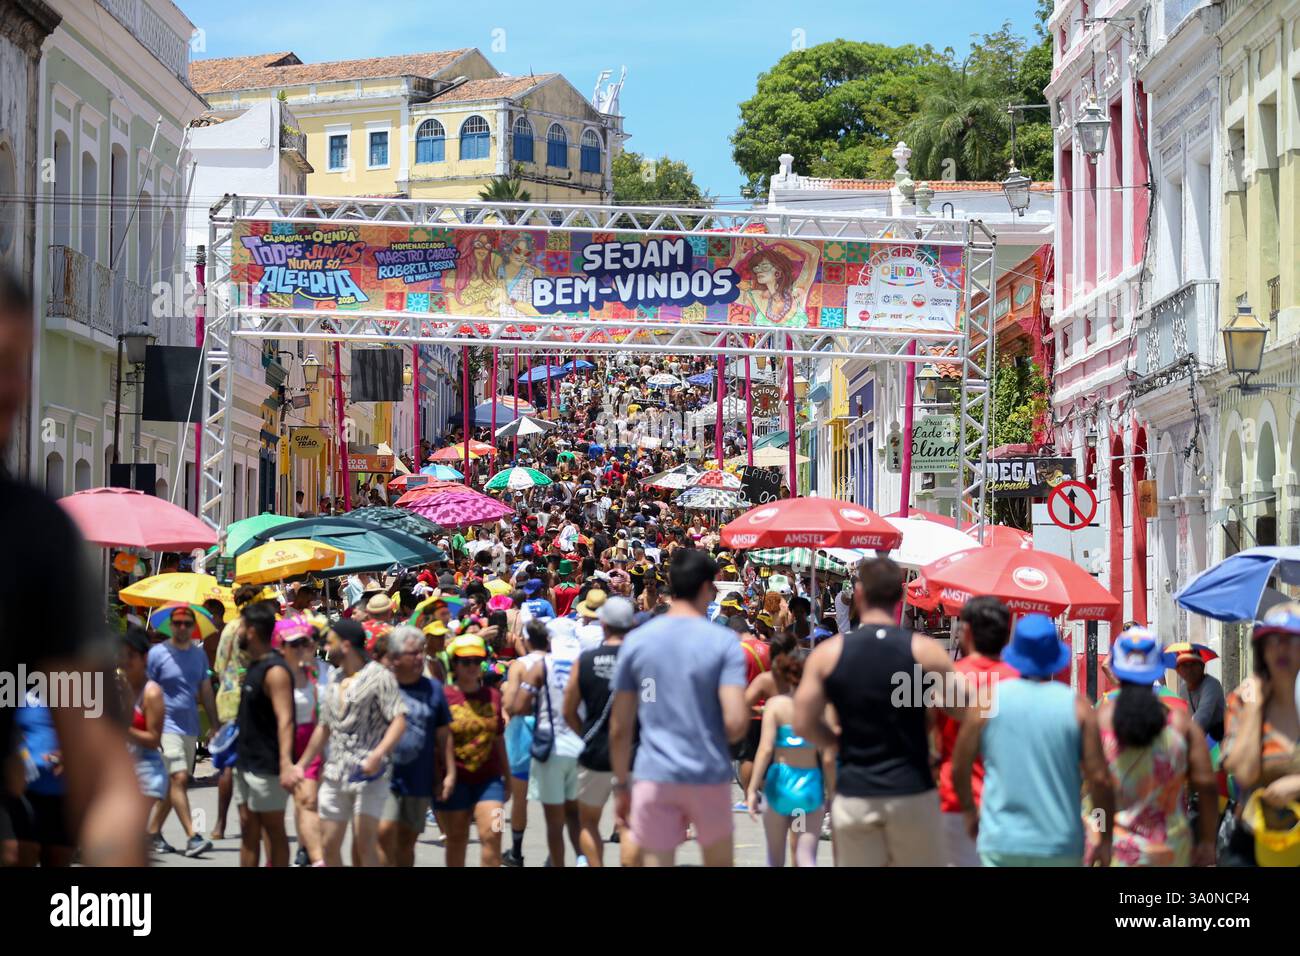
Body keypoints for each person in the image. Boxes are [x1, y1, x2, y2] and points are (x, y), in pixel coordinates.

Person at [793, 557, 958, 867]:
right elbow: (964, 708)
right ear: (899, 597)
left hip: (856, 793)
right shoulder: (924, 651)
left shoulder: (829, 654)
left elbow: (802, 722)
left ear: (858, 595)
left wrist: (834, 741)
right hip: (911, 791)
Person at [610, 549, 749, 867]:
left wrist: (621, 784)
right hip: (708, 773)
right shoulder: (724, 642)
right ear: (705, 588)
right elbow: (736, 722)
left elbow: (620, 726)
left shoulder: (637, 641)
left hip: (654, 773)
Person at [952, 614, 1115, 867]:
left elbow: (960, 766)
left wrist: (970, 812)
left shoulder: (987, 700)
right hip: (1059, 844)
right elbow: (1100, 779)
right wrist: (1105, 838)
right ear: (1055, 658)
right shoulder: (1078, 707)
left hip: (1001, 841)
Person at [1095, 628, 1218, 866]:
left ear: (1116, 670)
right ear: (1159, 668)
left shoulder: (1100, 721)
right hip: (1171, 851)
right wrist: (1206, 842)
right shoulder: (1181, 724)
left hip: (1117, 851)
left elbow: (1093, 788)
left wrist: (1099, 834)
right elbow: (1207, 786)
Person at [291, 619, 408, 867]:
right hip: (335, 773)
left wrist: (378, 755)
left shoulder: (379, 676)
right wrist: (301, 765)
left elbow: (399, 719)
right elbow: (324, 727)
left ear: (345, 645)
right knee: (327, 844)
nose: (325, 646)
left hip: (369, 774)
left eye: (329, 641)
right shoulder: (333, 678)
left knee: (365, 845)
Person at [934, 597, 1018, 867]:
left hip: (955, 801)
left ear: (967, 632)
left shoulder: (947, 681)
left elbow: (931, 743)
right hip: (1008, 804)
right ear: (1007, 636)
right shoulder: (1020, 682)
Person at [563, 595, 640, 867]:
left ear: (603, 624)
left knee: (588, 822)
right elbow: (654, 705)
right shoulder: (643, 663)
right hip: (634, 753)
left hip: (594, 749)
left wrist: (582, 733)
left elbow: (568, 709)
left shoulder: (585, 661)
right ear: (631, 625)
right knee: (630, 825)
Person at [1221, 603, 1300, 866]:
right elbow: (1243, 773)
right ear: (1262, 649)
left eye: (1292, 639)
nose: (1281, 647)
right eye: (1272, 639)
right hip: (1253, 841)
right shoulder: (1242, 700)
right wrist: (1255, 708)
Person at [512, 608, 587, 866]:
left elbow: (518, 705)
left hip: (547, 745)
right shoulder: (583, 663)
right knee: (575, 815)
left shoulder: (540, 665)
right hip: (580, 748)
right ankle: (583, 859)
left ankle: (527, 853)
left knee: (552, 822)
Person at [147, 603, 219, 858]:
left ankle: (152, 832)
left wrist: (214, 724)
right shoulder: (158, 654)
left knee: (175, 783)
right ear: (170, 626)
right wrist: (147, 727)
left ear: (193, 628)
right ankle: (192, 836)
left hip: (189, 726)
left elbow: (206, 691)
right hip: (164, 725)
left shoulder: (198, 656)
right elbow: (146, 690)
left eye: (187, 624)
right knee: (178, 778)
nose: (181, 627)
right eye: (177, 623)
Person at [379, 626, 455, 867]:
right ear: (395, 657)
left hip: (418, 777)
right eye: (414, 653)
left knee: (406, 842)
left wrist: (449, 773)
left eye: (421, 652)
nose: (420, 657)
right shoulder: (381, 686)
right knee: (384, 833)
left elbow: (443, 734)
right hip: (382, 778)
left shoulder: (432, 689)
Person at [746, 648, 829, 867]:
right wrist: (832, 792)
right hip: (809, 785)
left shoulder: (775, 705)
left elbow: (764, 750)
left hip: (779, 784)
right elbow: (828, 753)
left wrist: (752, 789)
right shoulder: (820, 707)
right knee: (806, 857)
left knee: (774, 858)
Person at [232, 601, 296, 868]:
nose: (237, 632)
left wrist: (285, 763)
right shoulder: (254, 667)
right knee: (248, 830)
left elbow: (286, 720)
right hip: (244, 762)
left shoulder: (276, 671)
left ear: (251, 632)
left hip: (266, 766)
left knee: (273, 830)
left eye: (241, 627)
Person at [436, 635, 508, 867]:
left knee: (495, 833)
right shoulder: (443, 696)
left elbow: (499, 738)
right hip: (455, 780)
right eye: (465, 662)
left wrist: (508, 776)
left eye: (477, 661)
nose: (472, 667)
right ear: (454, 664)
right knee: (457, 839)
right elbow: (438, 740)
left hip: (491, 780)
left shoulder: (494, 696)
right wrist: (441, 777)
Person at [210, 583, 260, 841]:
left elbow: (219, 666)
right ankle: (248, 822)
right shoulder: (253, 630)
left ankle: (219, 824)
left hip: (226, 699)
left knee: (227, 766)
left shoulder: (228, 628)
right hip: (249, 700)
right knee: (249, 764)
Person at [499, 620, 548, 866]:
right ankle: (558, 853)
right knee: (556, 800)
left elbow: (508, 704)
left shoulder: (520, 665)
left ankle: (513, 849)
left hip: (522, 732)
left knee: (515, 797)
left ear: (527, 640)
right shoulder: (557, 661)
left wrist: (507, 689)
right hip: (551, 731)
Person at [278, 616, 324, 867]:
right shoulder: (274, 675)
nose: (301, 649)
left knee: (307, 799)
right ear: (282, 648)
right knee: (277, 810)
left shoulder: (319, 673)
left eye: (304, 643)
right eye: (293, 645)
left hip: (310, 740)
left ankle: (310, 852)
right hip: (277, 743)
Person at [118, 627, 166, 838]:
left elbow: (154, 740)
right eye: (122, 655)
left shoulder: (152, 693)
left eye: (131, 656)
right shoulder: (120, 687)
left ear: (144, 658)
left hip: (146, 770)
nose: (125, 661)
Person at [1177, 650, 1225, 743]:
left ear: (1202, 667)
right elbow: (1182, 714)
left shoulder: (1211, 685)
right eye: (1185, 666)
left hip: (1217, 738)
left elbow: (1203, 717)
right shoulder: (1183, 688)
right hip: (1196, 736)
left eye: (1193, 665)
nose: (1189, 669)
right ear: (1179, 670)